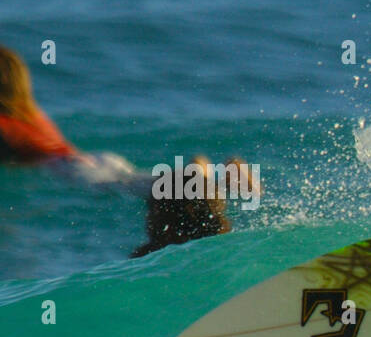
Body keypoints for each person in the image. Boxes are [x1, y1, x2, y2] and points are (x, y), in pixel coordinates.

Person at [1, 44, 248, 256]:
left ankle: (203, 176)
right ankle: (206, 177)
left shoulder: (5, 123)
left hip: (72, 169)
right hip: (91, 160)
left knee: (136, 187)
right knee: (136, 181)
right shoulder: (33, 114)